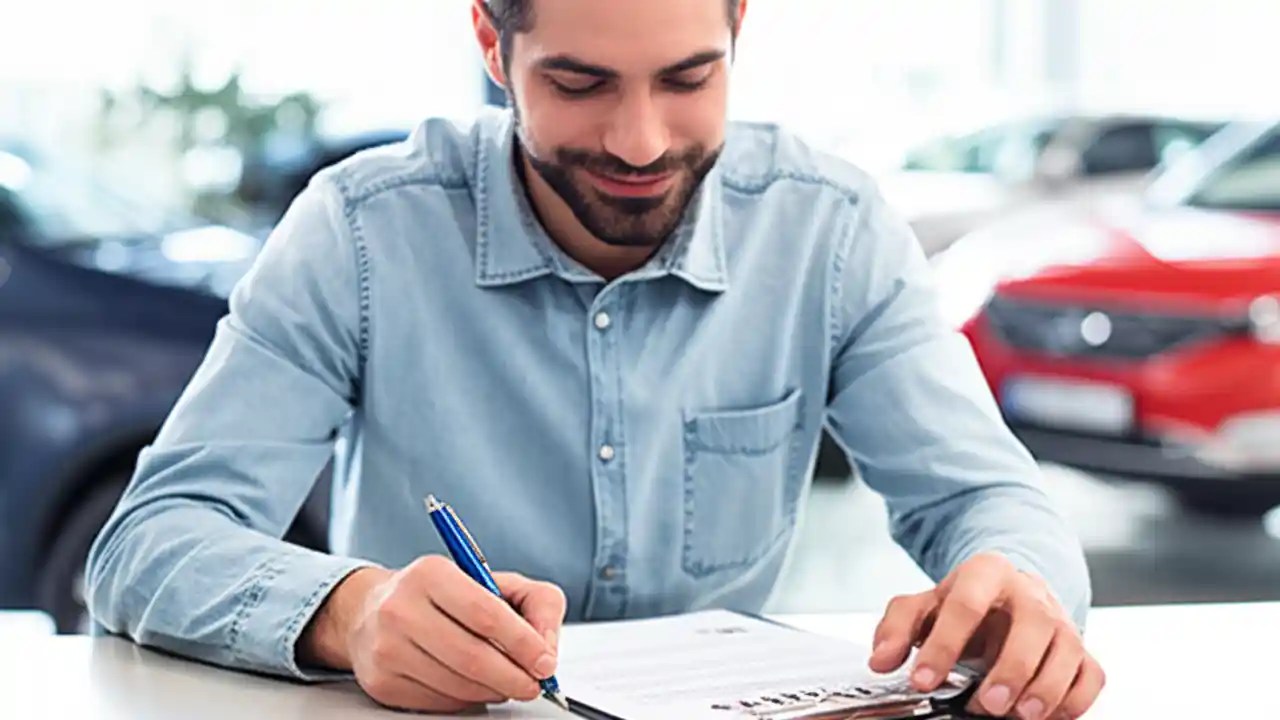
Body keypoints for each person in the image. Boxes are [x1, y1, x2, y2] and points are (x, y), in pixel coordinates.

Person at [86, 1, 1104, 718]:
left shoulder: (827, 229)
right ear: (492, 41)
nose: (638, 141)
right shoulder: (360, 232)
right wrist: (348, 616)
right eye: (578, 84)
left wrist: (1012, 586)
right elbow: (148, 544)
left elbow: (987, 497)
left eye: (687, 77)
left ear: (738, 26)